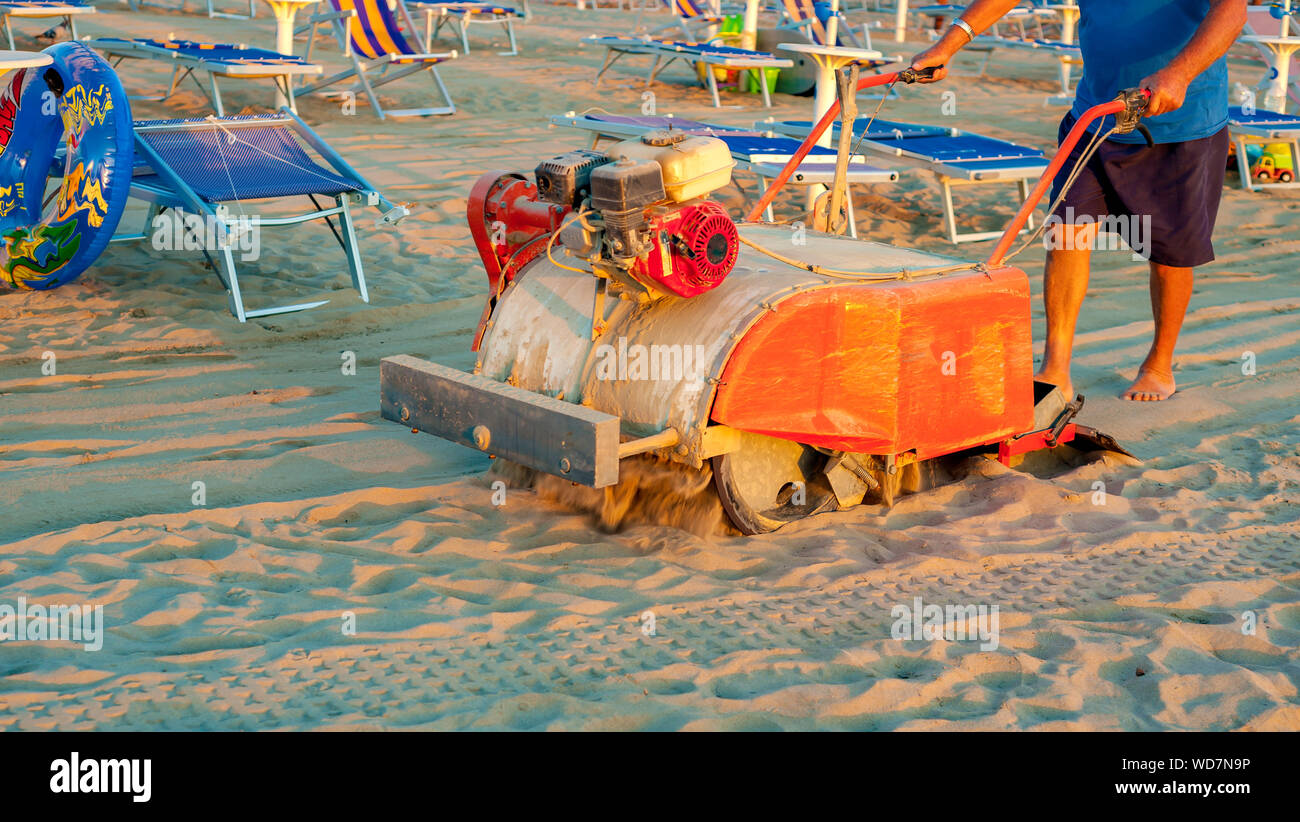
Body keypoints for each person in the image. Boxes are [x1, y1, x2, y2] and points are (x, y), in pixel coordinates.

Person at [910, 0, 1248, 401]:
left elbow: (1232, 11)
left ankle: (1159, 363)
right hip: (1096, 115)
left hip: (1180, 123)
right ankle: (1056, 367)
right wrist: (950, 42)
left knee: (1169, 255)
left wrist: (1179, 73)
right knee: (1065, 234)